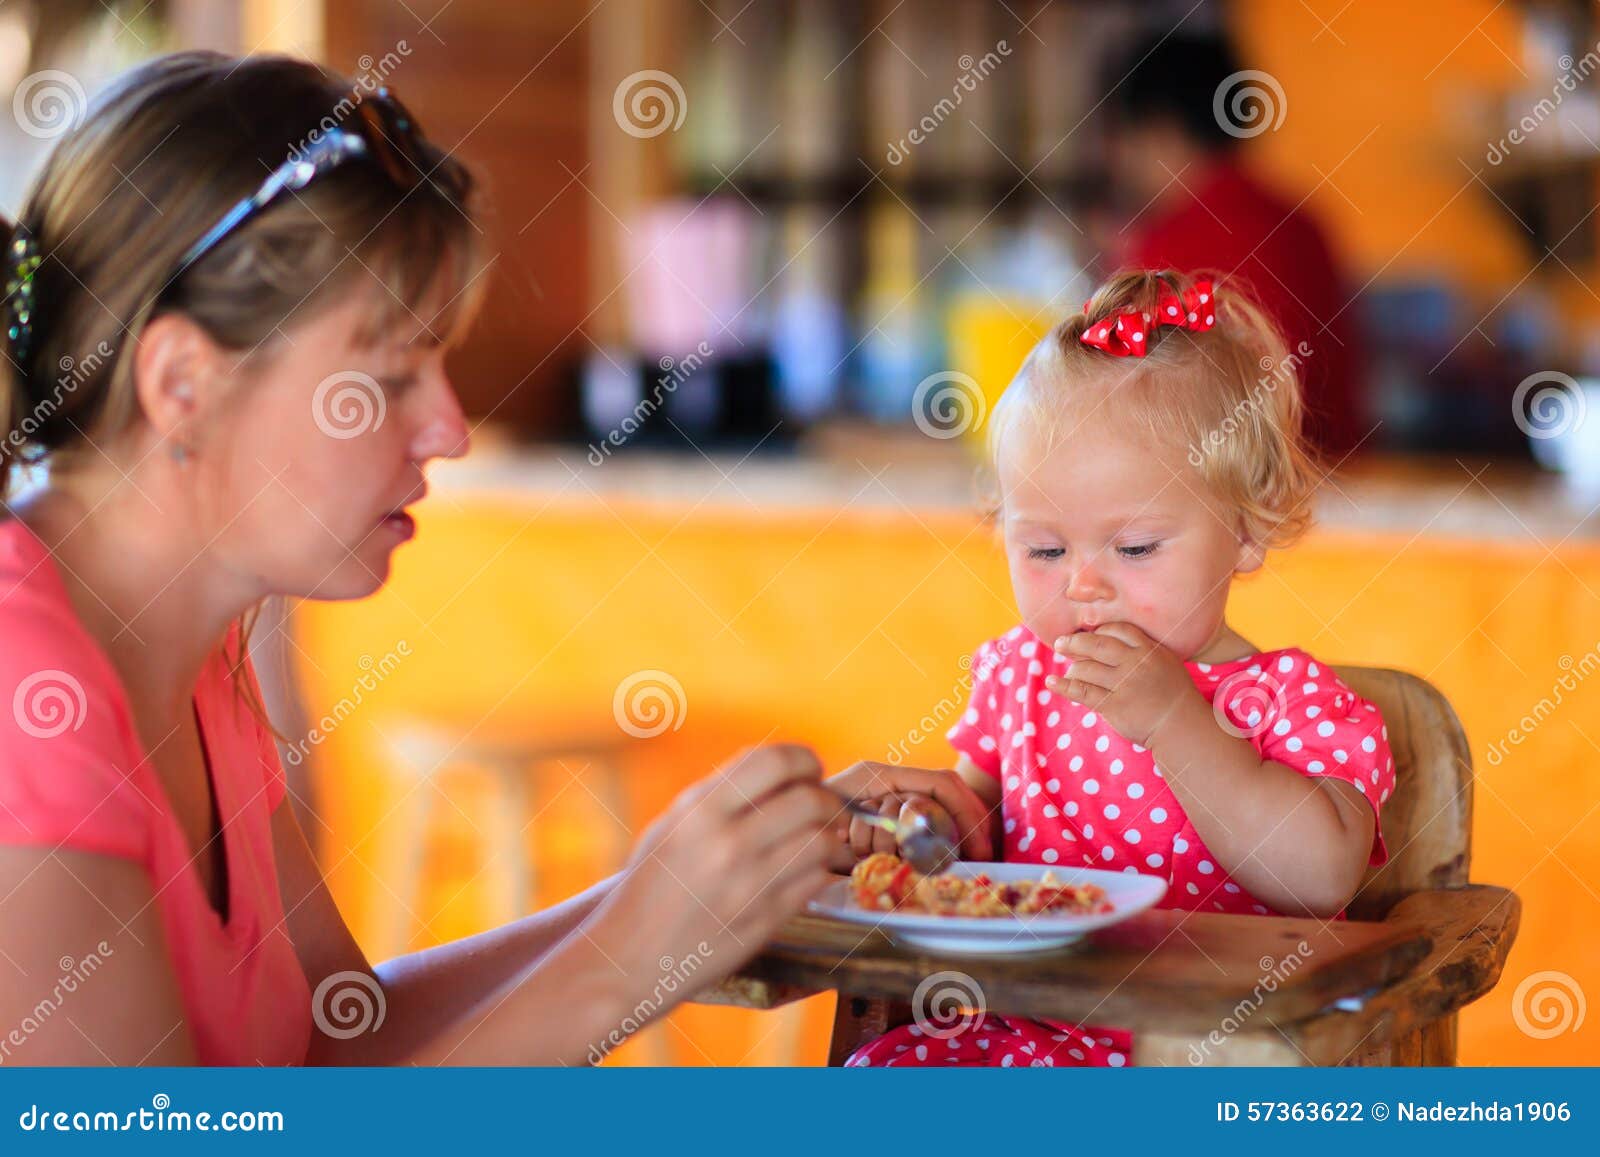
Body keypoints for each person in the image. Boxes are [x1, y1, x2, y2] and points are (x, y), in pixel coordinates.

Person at [0, 51, 1001, 1066]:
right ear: (183, 382)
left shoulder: (189, 654)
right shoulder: (23, 700)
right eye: (390, 379)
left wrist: (701, 888)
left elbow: (339, 1039)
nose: (449, 429)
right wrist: (632, 953)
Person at [839, 270, 1395, 1067]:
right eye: (1043, 549)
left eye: (1133, 548)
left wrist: (1176, 723)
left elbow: (1317, 878)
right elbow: (982, 842)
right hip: (1025, 1038)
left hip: (1217, 1055)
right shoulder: (1022, 678)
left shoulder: (1291, 703)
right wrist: (928, 826)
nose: (1084, 583)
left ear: (1245, 530)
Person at [1098, 30, 1370, 461]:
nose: (1116, 160)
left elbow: (1127, 406)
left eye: (1120, 139)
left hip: (1247, 497)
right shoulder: (1303, 224)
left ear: (1158, 129)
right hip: (1343, 486)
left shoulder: (1164, 247)